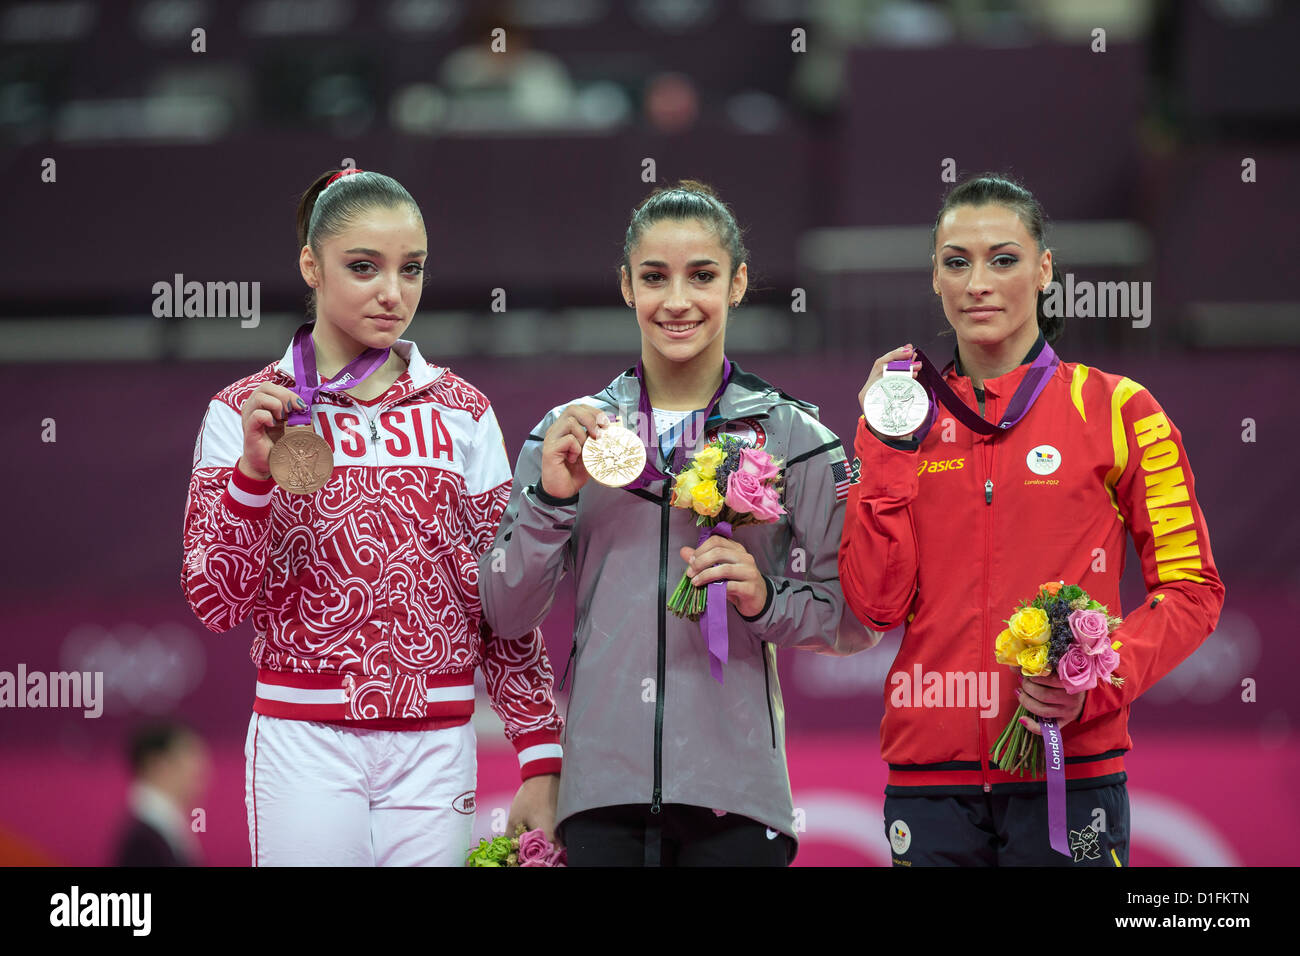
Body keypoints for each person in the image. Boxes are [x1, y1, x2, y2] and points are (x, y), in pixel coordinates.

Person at [479, 180, 880, 867]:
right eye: (655, 277)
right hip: (600, 797)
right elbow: (506, 612)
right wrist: (551, 500)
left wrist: (767, 601)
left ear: (738, 282)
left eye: (702, 276)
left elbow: (856, 619)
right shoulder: (571, 436)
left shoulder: (796, 438)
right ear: (627, 287)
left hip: (739, 799)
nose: (677, 301)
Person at [838, 173, 1225, 866]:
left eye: (1004, 259)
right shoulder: (902, 419)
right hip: (929, 784)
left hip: (1070, 776)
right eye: (957, 261)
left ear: (1045, 271)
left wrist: (1098, 682)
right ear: (935, 277)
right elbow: (874, 604)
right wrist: (887, 447)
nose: (978, 282)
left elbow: (1193, 591)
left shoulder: (1118, 409)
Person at [182, 168, 562, 866]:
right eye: (364, 267)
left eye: (410, 269)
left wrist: (539, 748)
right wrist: (251, 476)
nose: (393, 293)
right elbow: (215, 601)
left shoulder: (464, 412)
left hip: (437, 742)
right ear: (311, 266)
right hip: (304, 739)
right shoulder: (241, 410)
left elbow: (501, 599)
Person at [113, 722, 210, 867]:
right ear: (157, 765)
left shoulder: (167, 829)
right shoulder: (142, 840)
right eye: (189, 757)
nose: (200, 768)